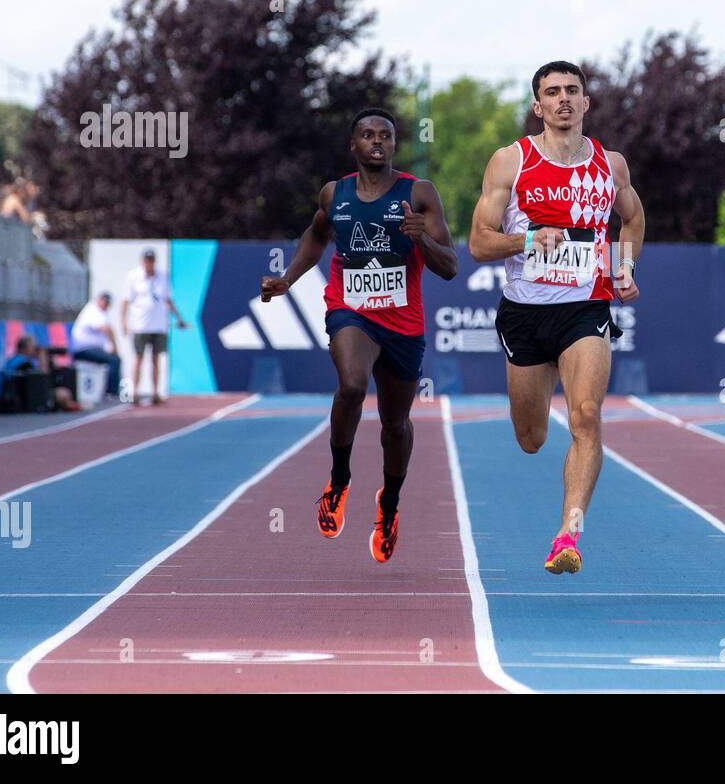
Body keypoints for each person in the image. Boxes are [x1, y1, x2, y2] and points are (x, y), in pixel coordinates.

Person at [468, 60, 645, 574]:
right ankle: (544, 458)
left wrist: (624, 266)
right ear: (537, 105)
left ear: (586, 103)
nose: (563, 99)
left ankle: (569, 531)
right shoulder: (510, 162)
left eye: (572, 91)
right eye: (552, 92)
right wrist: (527, 239)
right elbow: (479, 243)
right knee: (532, 438)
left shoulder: (610, 165)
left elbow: (631, 218)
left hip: (585, 309)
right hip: (525, 314)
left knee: (585, 414)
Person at [260, 108, 458, 564]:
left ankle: (388, 506)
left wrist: (420, 239)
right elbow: (315, 235)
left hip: (403, 322)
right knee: (351, 384)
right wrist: (287, 280)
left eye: (385, 136)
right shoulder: (336, 193)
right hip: (350, 309)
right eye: (367, 135)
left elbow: (449, 267)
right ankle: (339, 478)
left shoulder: (419, 193)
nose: (376, 142)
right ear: (353, 145)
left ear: (393, 144)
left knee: (394, 424)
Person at [121, 249, 189, 405]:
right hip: (140, 325)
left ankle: (155, 393)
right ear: (142, 261)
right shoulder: (134, 277)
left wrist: (179, 318)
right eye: (146, 259)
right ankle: (135, 392)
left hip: (158, 326)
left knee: (156, 359)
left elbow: (168, 300)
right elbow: (125, 301)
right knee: (138, 358)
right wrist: (124, 323)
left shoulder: (162, 277)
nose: (148, 263)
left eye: (151, 260)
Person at [71, 291, 122, 401]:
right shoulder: (92, 310)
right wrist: (115, 347)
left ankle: (112, 390)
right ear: (99, 300)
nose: (106, 305)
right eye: (104, 302)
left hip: (91, 349)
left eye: (108, 303)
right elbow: (106, 329)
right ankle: (110, 392)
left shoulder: (100, 313)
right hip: (83, 350)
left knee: (115, 359)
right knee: (114, 360)